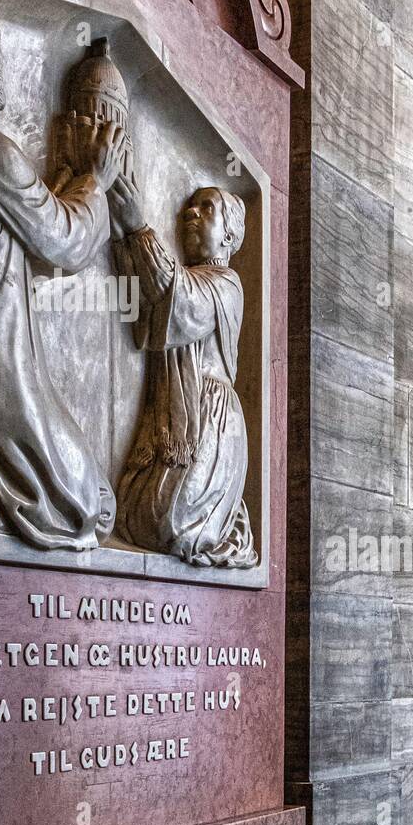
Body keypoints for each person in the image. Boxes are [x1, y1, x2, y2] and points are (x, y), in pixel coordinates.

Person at [0, 0, 127, 552]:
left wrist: (66, 183)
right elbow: (65, 244)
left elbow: (26, 244)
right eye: (1, 57)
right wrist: (97, 179)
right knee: (94, 504)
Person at [108, 176, 257, 568]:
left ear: (228, 236)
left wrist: (138, 227)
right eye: (189, 206)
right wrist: (123, 233)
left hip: (209, 418)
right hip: (174, 414)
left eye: (207, 207)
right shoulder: (191, 278)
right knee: (136, 515)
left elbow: (183, 301)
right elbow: (148, 299)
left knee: (168, 524)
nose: (191, 212)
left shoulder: (227, 285)